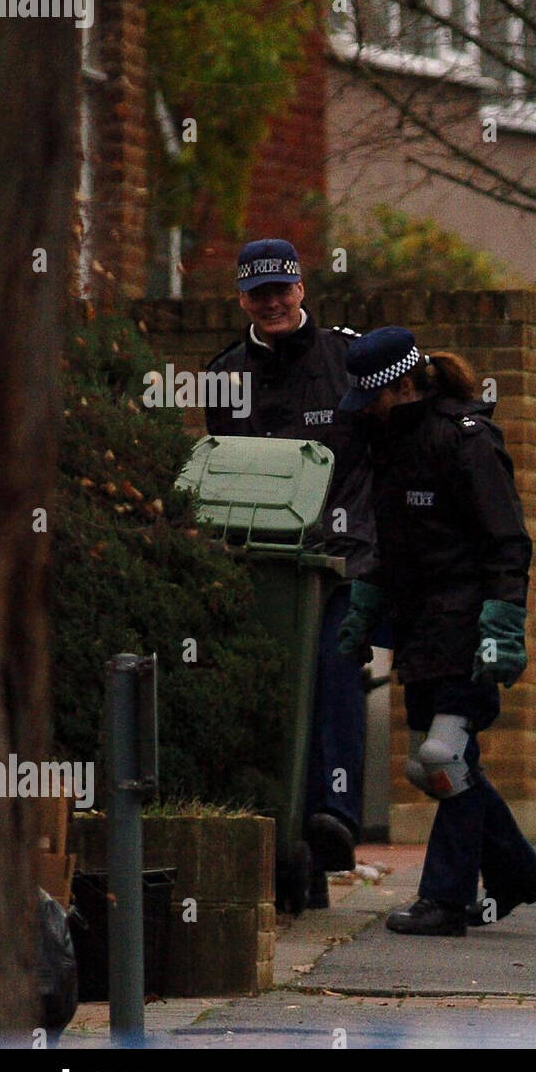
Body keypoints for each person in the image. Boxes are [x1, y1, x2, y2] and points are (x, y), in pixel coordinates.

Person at [337, 327, 536, 937]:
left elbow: (506, 540)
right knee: (437, 767)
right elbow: (388, 541)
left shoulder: (466, 440)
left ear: (401, 386)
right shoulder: (387, 441)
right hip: (421, 627)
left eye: (372, 396)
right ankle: (517, 874)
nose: (366, 409)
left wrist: (503, 622)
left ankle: (446, 901)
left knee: (443, 758)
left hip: (467, 624)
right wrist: (365, 608)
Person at [206, 238, 376, 908]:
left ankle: (334, 814)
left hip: (341, 559)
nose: (273, 302)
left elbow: (381, 448)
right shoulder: (224, 373)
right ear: (242, 298)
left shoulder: (349, 358)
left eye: (283, 288)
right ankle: (291, 861)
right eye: (259, 292)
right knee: (275, 696)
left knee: (334, 676)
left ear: (302, 287)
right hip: (264, 564)